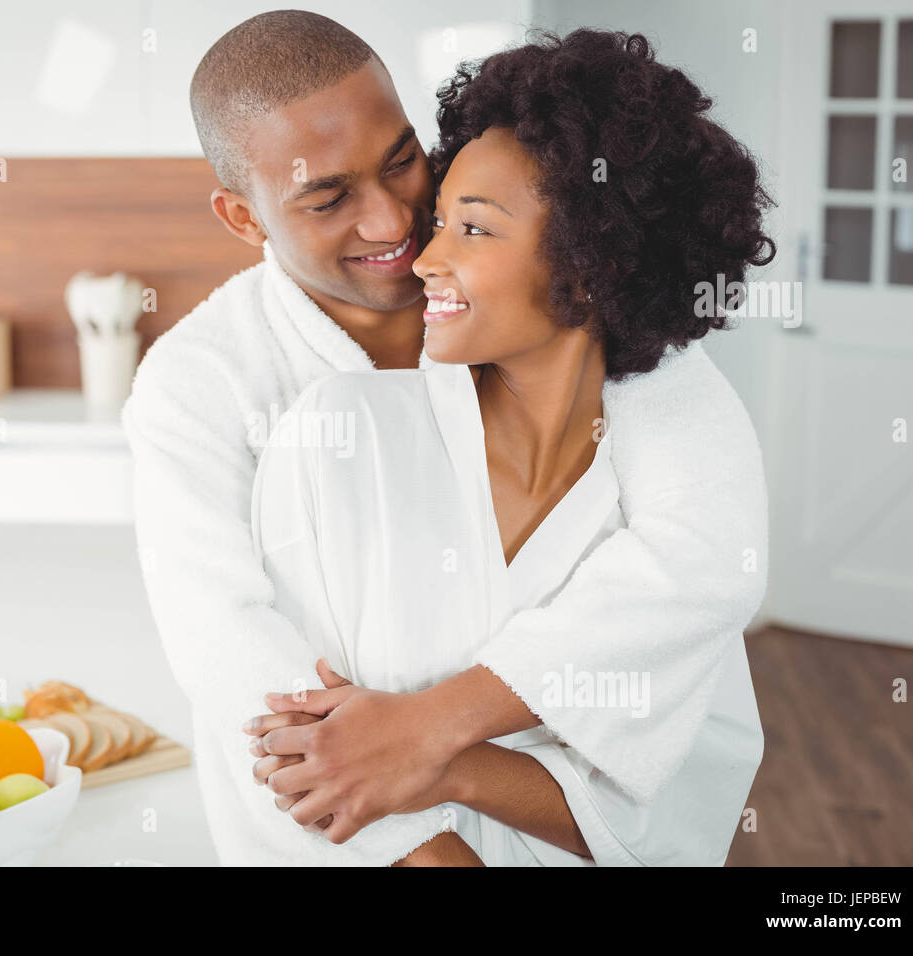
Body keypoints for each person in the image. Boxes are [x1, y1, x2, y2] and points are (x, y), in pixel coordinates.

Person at [122, 12, 770, 865]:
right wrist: (424, 845)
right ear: (244, 219)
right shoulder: (203, 386)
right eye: (328, 198)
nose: (395, 224)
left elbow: (705, 553)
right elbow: (231, 654)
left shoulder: (576, 305)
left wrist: (439, 732)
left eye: (401, 162)